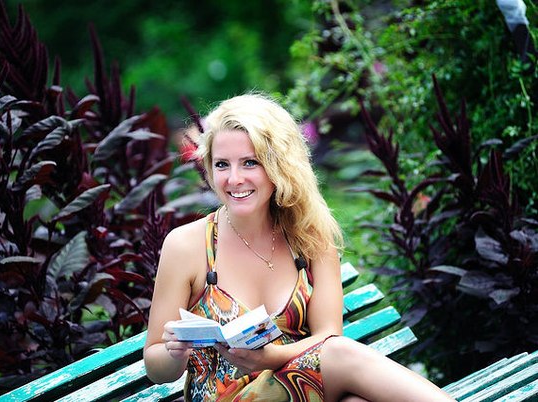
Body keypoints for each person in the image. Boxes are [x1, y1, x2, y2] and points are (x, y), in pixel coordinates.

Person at [143, 93, 454, 401]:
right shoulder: (186, 245)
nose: (234, 179)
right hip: (227, 397)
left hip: (300, 388)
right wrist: (174, 353)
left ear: (279, 165)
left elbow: (327, 335)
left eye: (250, 163)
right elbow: (156, 367)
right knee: (340, 355)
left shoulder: (309, 237)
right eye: (222, 164)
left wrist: (270, 359)